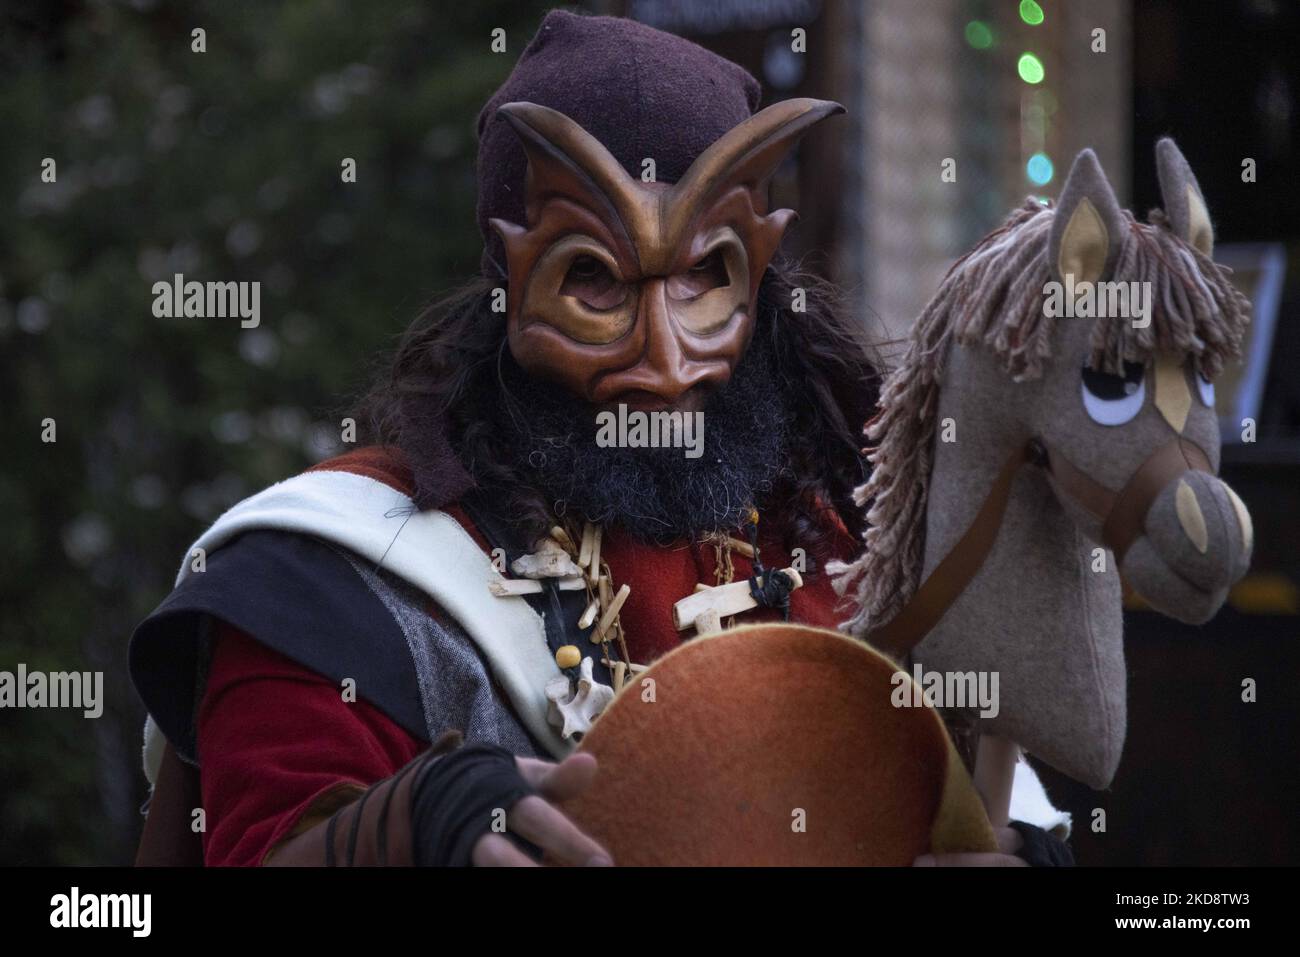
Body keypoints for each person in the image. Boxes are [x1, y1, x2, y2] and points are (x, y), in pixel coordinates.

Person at [130, 9, 1068, 867]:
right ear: (510, 285)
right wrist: (413, 823)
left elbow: (986, 806)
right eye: (597, 283)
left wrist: (1015, 853)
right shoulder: (335, 576)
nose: (663, 357)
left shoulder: (852, 548)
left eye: (704, 274)